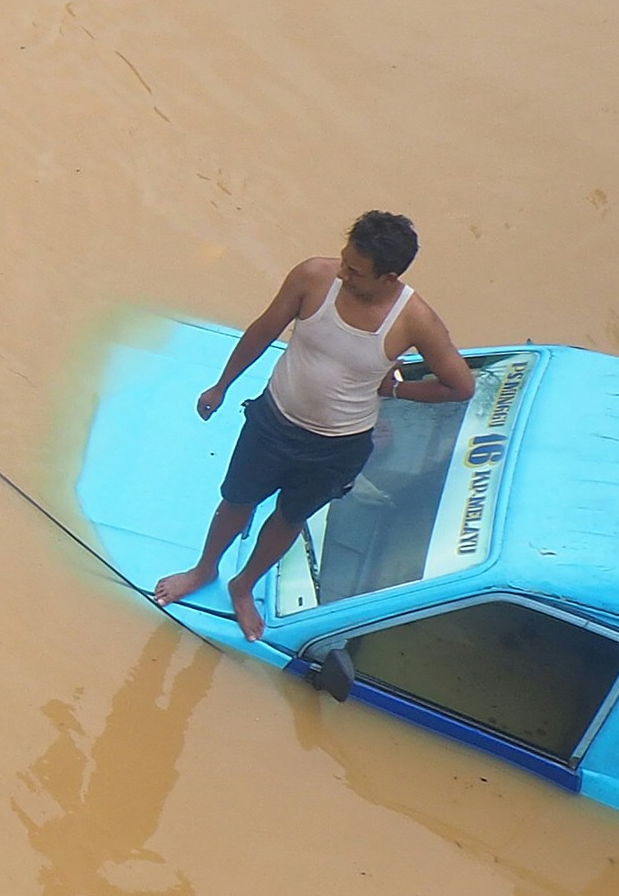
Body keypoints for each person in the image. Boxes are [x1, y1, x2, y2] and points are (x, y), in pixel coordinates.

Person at [153, 212, 474, 640]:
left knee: (289, 517)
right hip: (273, 421)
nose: (343, 273)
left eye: (355, 271)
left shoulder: (414, 320)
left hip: (338, 447)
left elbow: (460, 385)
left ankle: (243, 585)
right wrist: (222, 385)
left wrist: (394, 392)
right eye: (344, 261)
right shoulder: (314, 277)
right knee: (236, 501)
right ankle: (204, 569)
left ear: (389, 276)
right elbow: (266, 328)